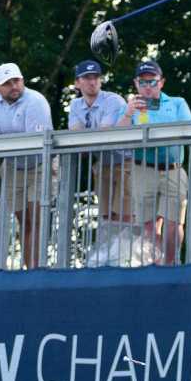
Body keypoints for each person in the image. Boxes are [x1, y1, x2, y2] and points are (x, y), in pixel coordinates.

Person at [0, 62, 54, 271]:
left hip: (42, 164)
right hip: (13, 166)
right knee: (25, 221)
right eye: (7, 83)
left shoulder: (36, 100)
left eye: (17, 80)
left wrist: (6, 145)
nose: (14, 86)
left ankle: (36, 269)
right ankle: (28, 268)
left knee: (37, 218)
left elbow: (36, 144)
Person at [121, 60, 191, 266]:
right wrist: (128, 113)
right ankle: (154, 265)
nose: (148, 87)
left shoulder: (177, 103)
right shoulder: (132, 105)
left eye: (152, 81)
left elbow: (188, 130)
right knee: (149, 225)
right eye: (143, 82)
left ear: (162, 82)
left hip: (173, 169)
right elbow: (116, 135)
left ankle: (170, 263)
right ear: (136, 83)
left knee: (173, 222)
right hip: (143, 168)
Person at [66, 58, 131, 260]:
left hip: (126, 163)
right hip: (103, 164)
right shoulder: (75, 104)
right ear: (77, 83)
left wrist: (84, 142)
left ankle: (127, 258)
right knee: (105, 216)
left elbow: (103, 136)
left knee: (125, 214)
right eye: (86, 78)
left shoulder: (113, 100)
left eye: (95, 77)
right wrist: (84, 142)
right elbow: (76, 136)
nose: (92, 82)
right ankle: (110, 259)